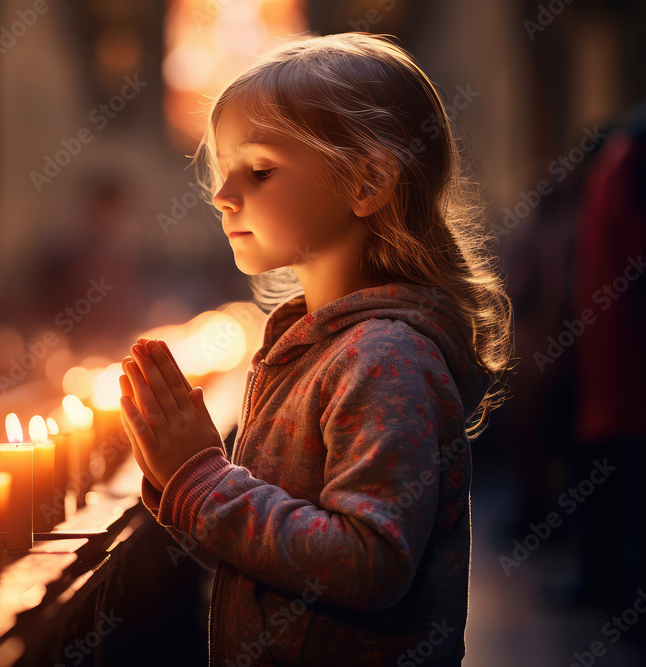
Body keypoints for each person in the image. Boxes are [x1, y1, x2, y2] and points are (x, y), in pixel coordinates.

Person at [117, 33, 514, 665]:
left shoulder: (385, 359)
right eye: (224, 171)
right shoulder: (311, 345)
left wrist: (203, 480)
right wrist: (182, 481)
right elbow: (268, 561)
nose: (222, 195)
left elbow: (368, 565)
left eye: (261, 170)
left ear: (368, 181)